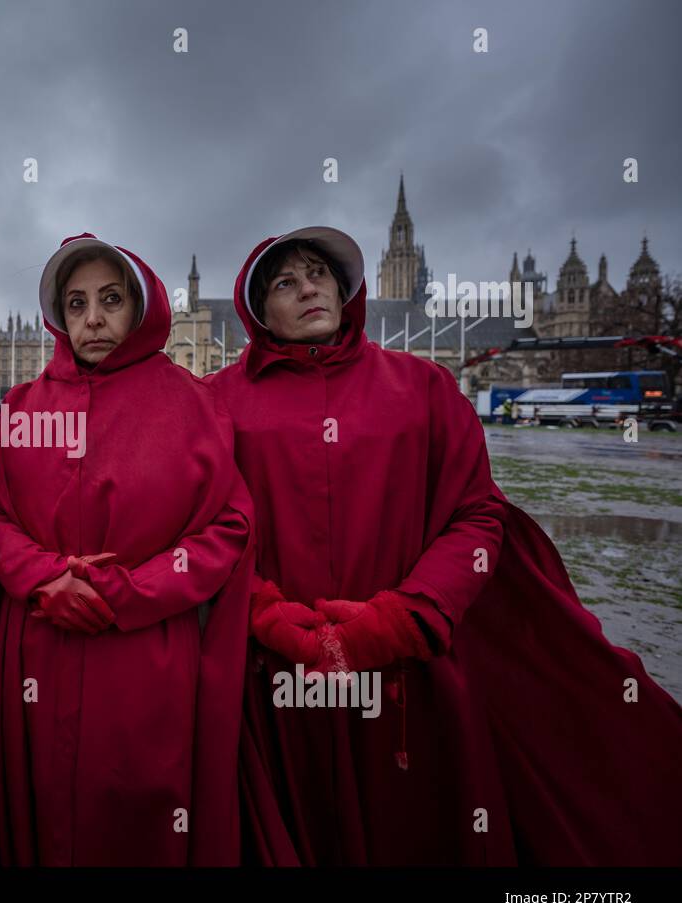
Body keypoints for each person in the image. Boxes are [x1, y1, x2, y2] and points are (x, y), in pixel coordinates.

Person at [208, 226, 682, 865]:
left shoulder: (423, 385)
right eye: (284, 282)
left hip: (406, 673)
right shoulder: (218, 401)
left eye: (318, 272)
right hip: (275, 678)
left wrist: (405, 618)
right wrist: (266, 614)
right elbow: (203, 522)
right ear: (258, 310)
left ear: (347, 288)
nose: (308, 288)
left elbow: (476, 514)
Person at [0, 234, 287, 866]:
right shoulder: (22, 408)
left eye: (110, 299)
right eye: (76, 304)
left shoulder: (192, 403)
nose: (94, 319)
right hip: (39, 648)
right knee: (41, 810)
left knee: (141, 815)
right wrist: (45, 579)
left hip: (147, 651)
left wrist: (131, 592)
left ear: (140, 307)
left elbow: (227, 527)